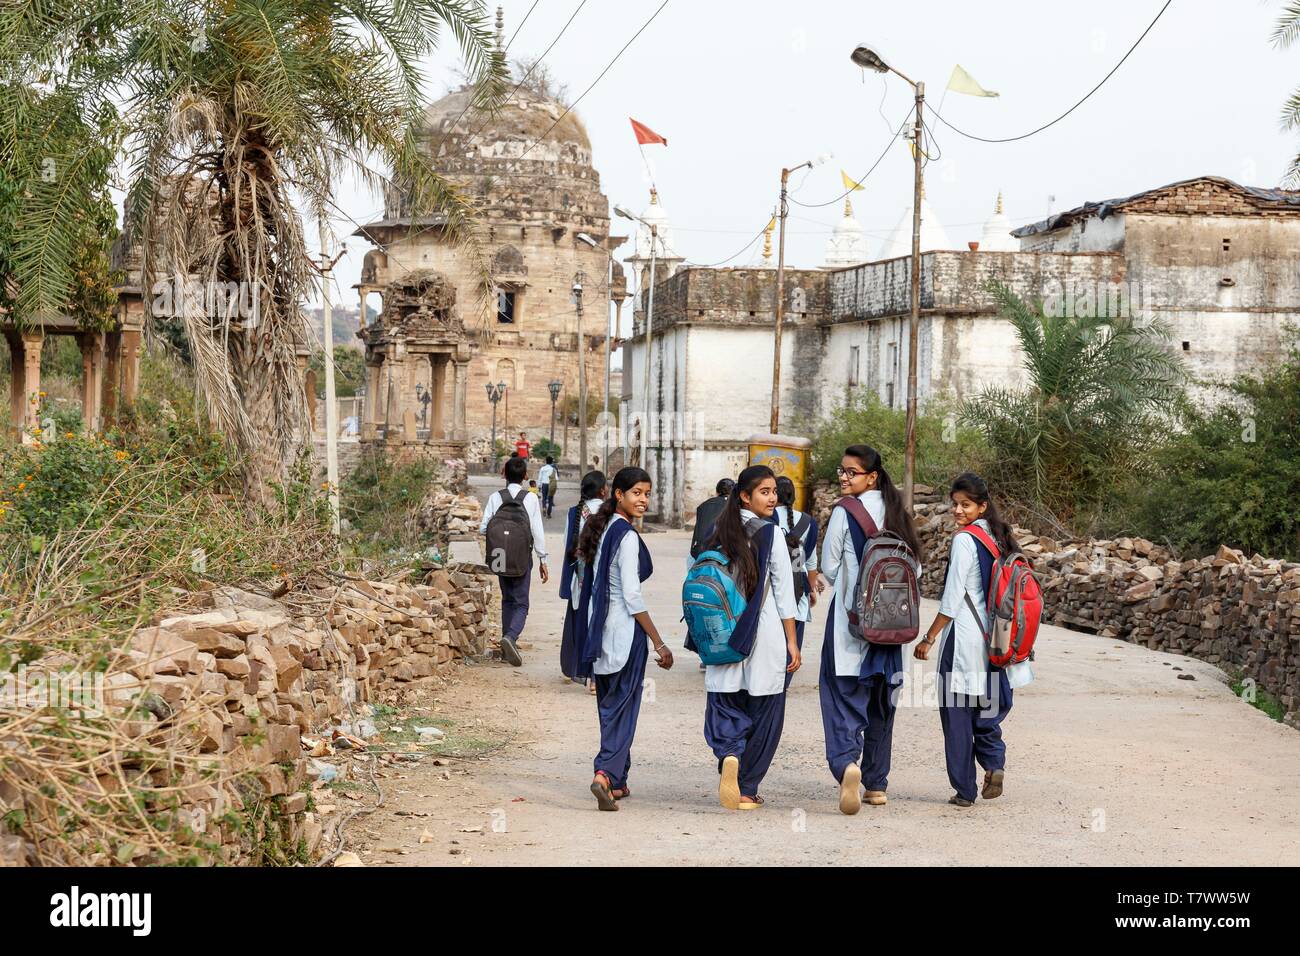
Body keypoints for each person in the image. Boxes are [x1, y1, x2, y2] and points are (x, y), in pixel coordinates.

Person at [915, 472, 1033, 807]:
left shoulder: (965, 540)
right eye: (954, 504)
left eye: (965, 505)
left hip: (965, 638)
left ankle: (964, 790)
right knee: (987, 707)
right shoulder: (998, 537)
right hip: (996, 638)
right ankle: (994, 763)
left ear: (982, 505)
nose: (958, 510)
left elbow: (952, 598)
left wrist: (929, 637)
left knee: (956, 714)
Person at [818, 445, 924, 815]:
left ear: (871, 476)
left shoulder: (843, 513)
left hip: (850, 626)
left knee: (841, 699)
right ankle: (876, 785)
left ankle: (848, 763)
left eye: (852, 472)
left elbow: (829, 568)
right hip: (892, 631)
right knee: (882, 706)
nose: (844, 478)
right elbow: (917, 571)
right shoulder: (898, 512)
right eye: (842, 471)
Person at [697, 465, 800, 811]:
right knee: (766, 708)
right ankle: (747, 787)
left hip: (722, 630)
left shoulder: (716, 531)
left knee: (726, 702)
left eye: (774, 492)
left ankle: (729, 752)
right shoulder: (772, 534)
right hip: (764, 630)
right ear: (745, 495)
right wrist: (792, 641)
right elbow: (785, 594)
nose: (772, 498)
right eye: (765, 492)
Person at [573, 467, 674, 810]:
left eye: (647, 493)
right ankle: (603, 774)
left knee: (609, 707)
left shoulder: (604, 530)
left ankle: (618, 780)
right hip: (626, 633)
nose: (643, 500)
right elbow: (632, 597)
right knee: (624, 710)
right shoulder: (627, 536)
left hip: (599, 630)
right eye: (636, 493)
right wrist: (659, 642)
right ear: (619, 495)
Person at [478, 455, 549, 667]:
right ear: (526, 476)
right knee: (521, 602)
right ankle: (511, 637)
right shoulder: (530, 499)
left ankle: (506, 644)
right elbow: (537, 531)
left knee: (507, 599)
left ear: (503, 474)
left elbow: (483, 528)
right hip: (521, 556)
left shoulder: (495, 497)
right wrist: (542, 559)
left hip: (500, 554)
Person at [559, 470, 608, 691]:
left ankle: (580, 670)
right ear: (604, 490)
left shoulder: (575, 513)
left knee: (581, 623)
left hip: (580, 577)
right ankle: (596, 677)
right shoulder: (611, 512)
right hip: (605, 577)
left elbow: (567, 545)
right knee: (602, 625)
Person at [772, 475, 821, 688]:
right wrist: (811, 591)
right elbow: (808, 562)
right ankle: (783, 684)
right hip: (797, 587)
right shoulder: (808, 522)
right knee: (793, 643)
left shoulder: (765, 517)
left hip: (770, 587)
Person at [689, 478, 735, 561]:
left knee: (690, 560)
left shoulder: (703, 506)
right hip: (724, 556)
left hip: (699, 554)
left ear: (717, 492)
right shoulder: (736, 506)